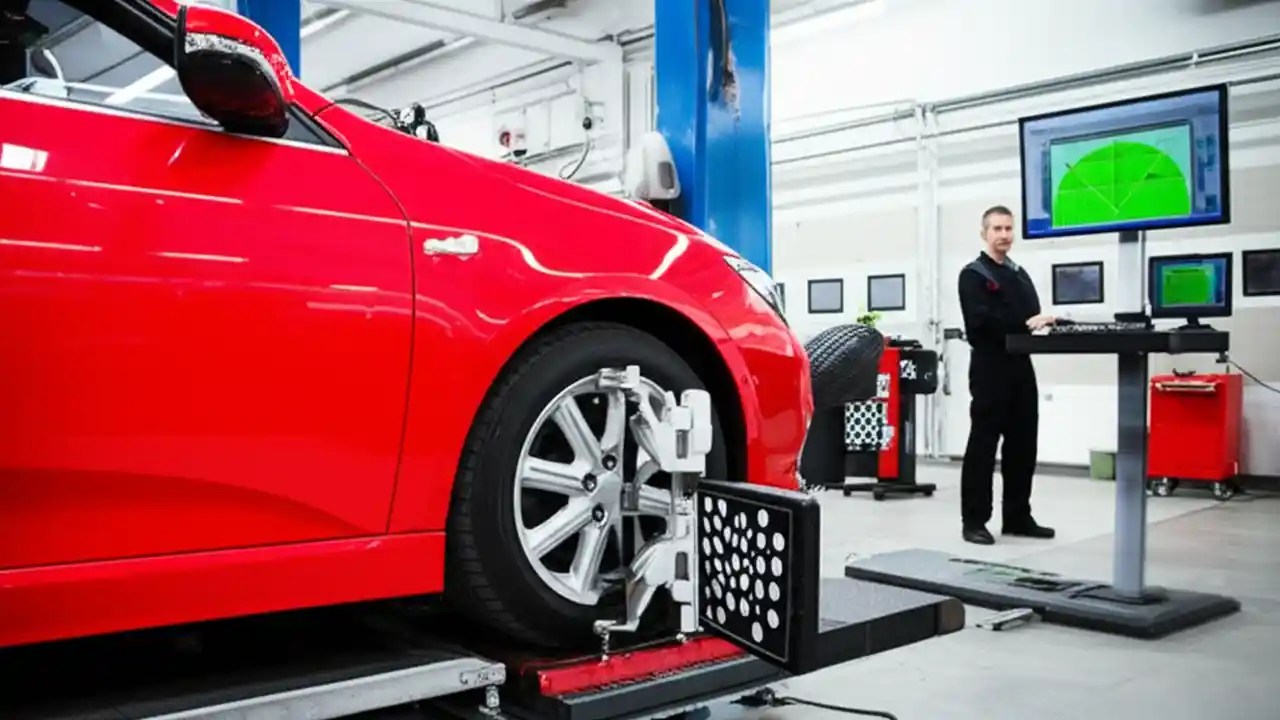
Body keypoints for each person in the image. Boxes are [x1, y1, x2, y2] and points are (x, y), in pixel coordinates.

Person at [956, 205, 1056, 545]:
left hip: (1020, 366)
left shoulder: (1018, 273)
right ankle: (974, 521)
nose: (1004, 235)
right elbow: (980, 323)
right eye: (997, 229)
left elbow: (1031, 312)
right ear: (984, 233)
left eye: (1008, 229)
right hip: (990, 368)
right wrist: (1023, 322)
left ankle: (1017, 516)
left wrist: (1029, 322)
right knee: (983, 446)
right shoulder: (973, 275)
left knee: (1023, 444)